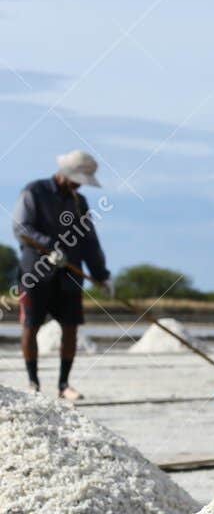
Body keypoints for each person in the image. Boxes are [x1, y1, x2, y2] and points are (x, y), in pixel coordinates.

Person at [12, 150, 111, 401]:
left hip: (69, 274)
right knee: (31, 325)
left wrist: (101, 274)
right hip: (35, 272)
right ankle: (33, 383)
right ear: (65, 173)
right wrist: (49, 246)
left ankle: (64, 384)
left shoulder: (80, 203)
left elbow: (89, 240)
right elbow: (22, 228)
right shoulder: (34, 192)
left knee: (71, 328)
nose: (79, 185)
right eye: (77, 179)